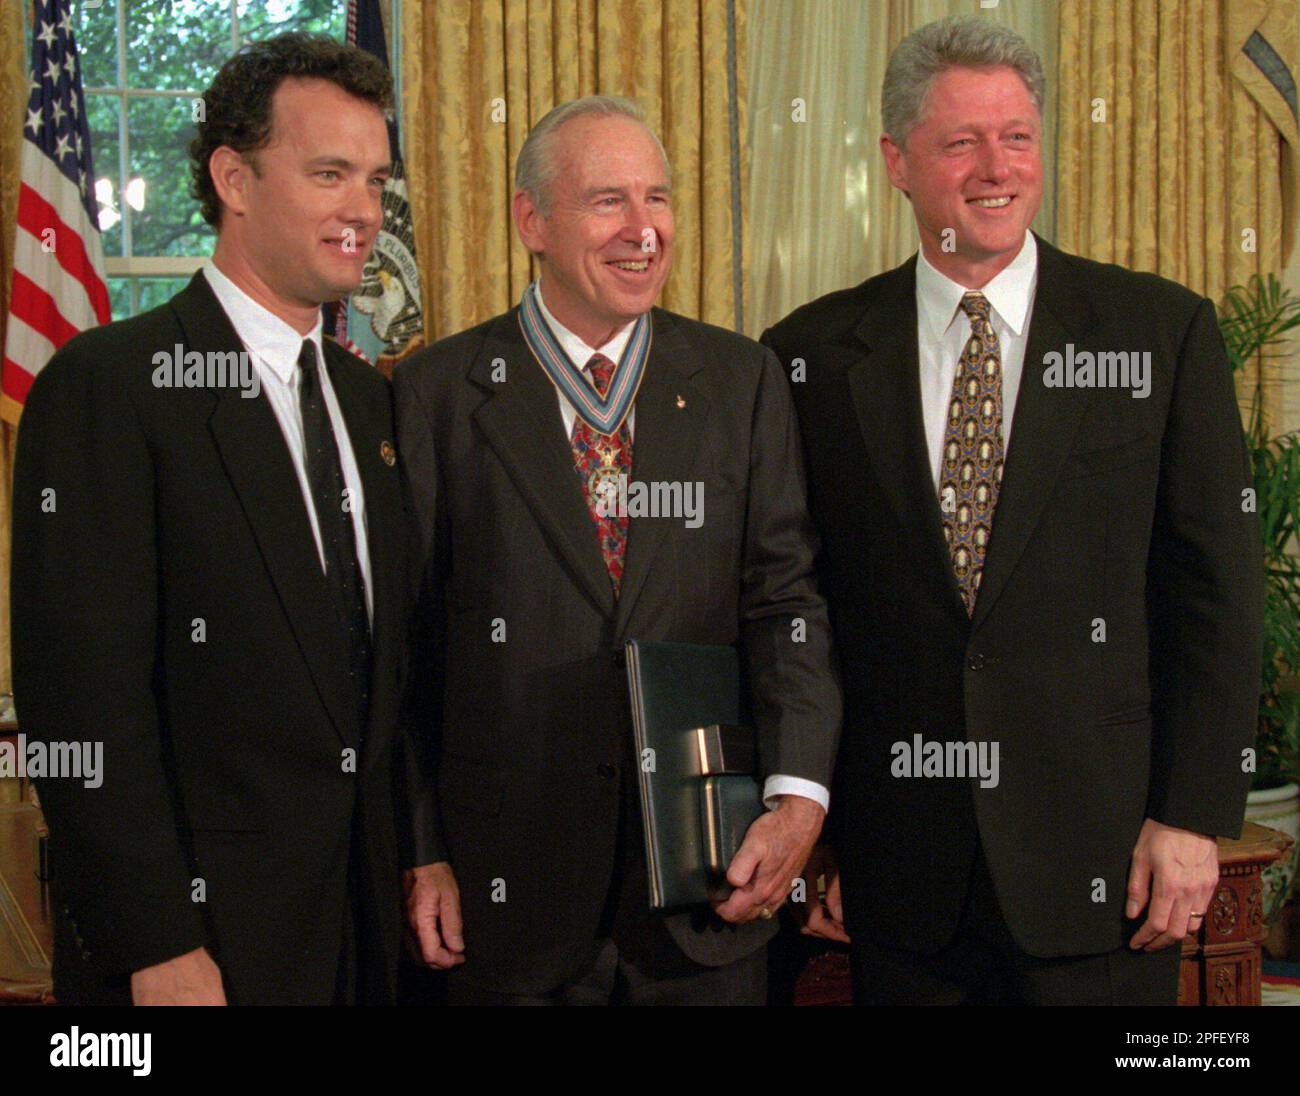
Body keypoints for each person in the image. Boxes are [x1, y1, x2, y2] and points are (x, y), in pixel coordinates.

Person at [762, 16, 1263, 1005]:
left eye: (1018, 136)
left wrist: (1193, 816)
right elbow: (794, 612)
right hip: (903, 887)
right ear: (897, 161)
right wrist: (816, 826)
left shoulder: (1159, 334)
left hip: (1111, 872)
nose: (997, 167)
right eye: (961, 142)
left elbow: (1217, 593)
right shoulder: (808, 354)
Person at [395, 96, 841, 1005]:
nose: (645, 230)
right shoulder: (437, 393)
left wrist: (799, 795)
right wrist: (422, 849)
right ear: (533, 221)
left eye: (660, 199)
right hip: (506, 907)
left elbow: (784, 602)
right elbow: (405, 649)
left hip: (705, 895)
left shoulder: (741, 380)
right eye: (608, 202)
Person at [12, 32, 410, 1005]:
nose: (363, 210)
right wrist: (156, 940)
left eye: (373, 179)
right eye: (329, 174)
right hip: (195, 954)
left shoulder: (371, 406)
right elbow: (82, 704)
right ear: (234, 178)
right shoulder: (111, 386)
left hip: (370, 937)